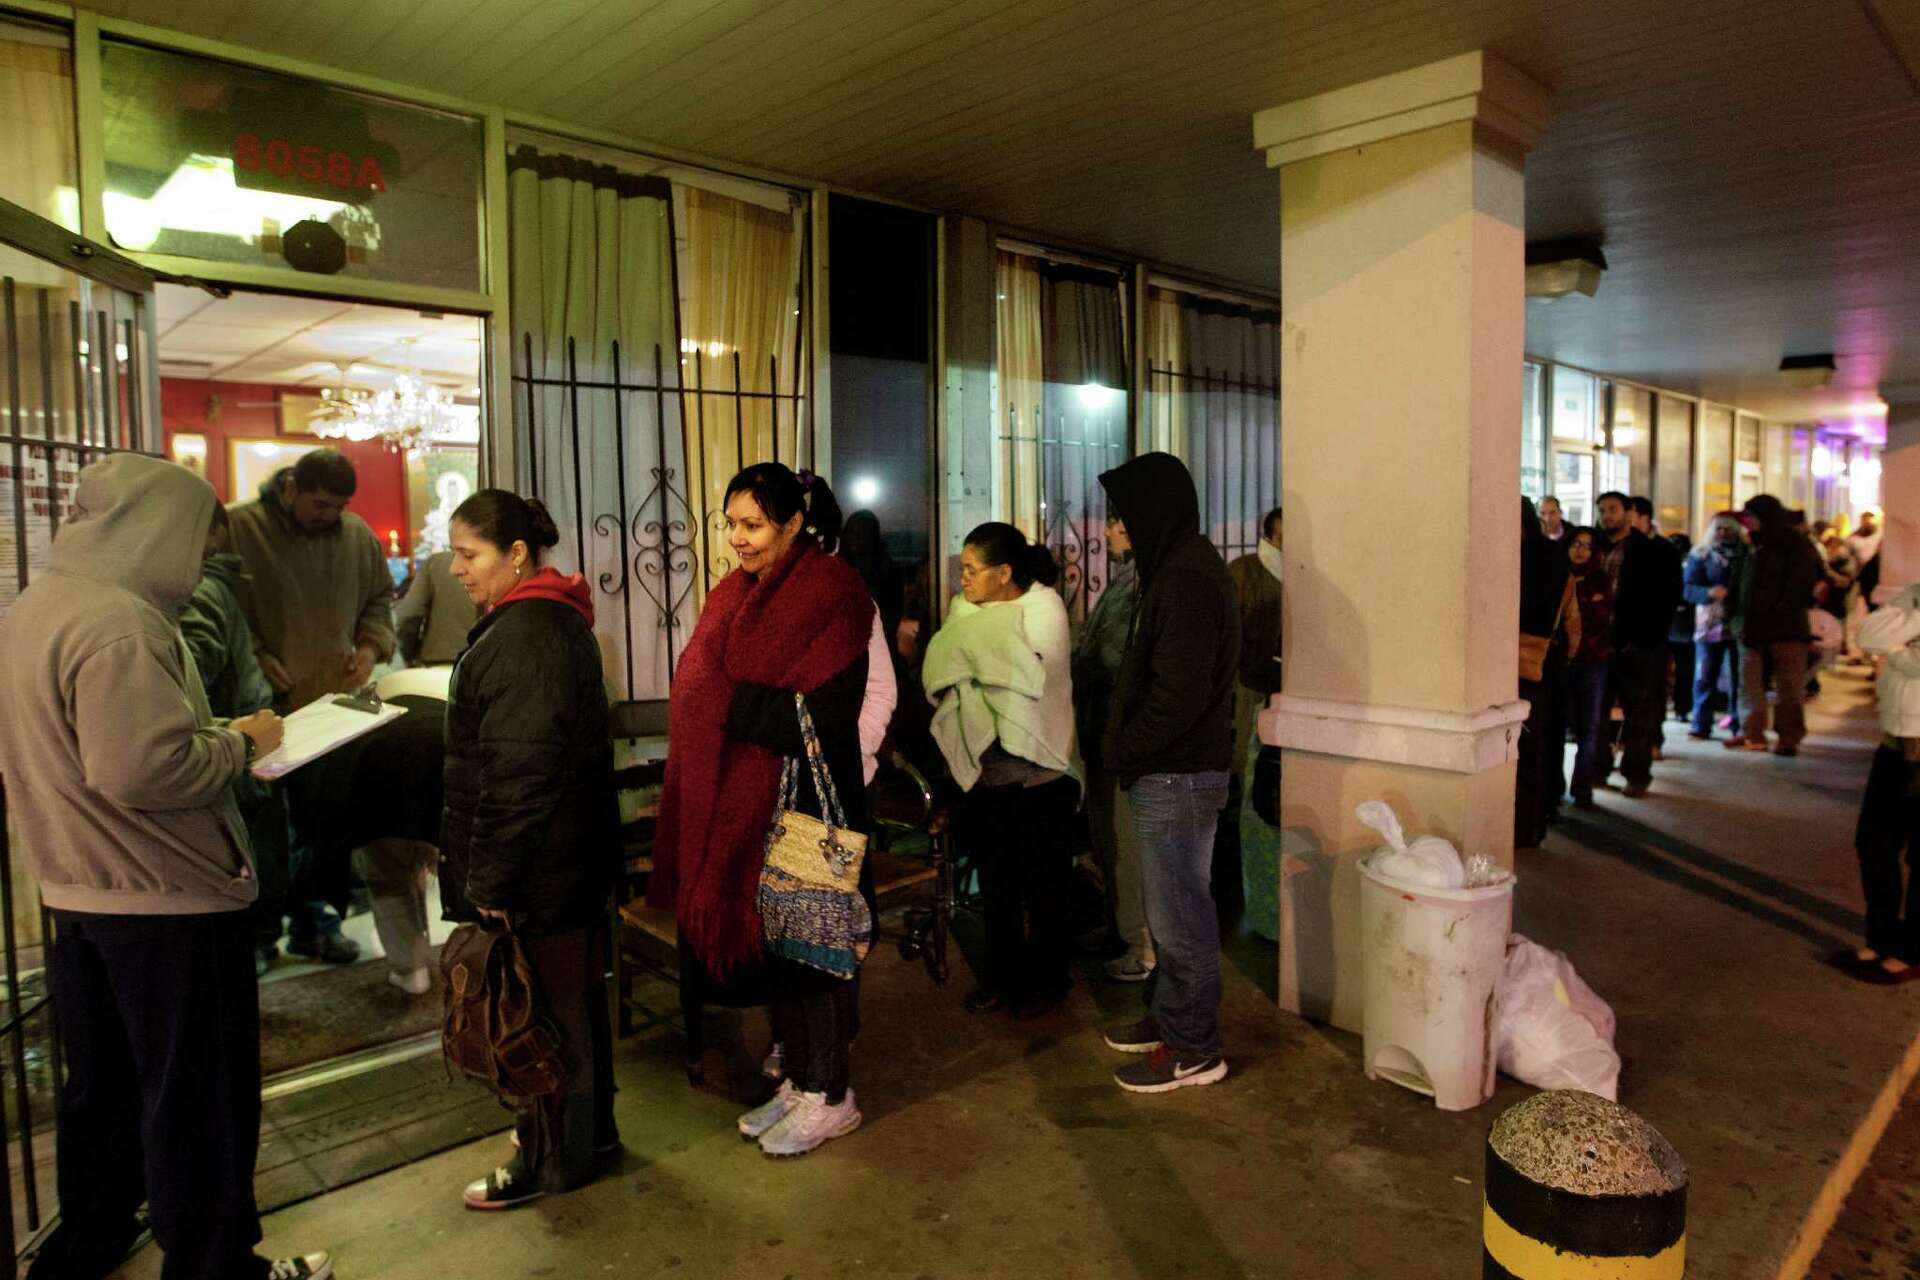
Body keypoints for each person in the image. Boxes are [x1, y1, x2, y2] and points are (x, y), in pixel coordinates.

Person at [0, 454, 330, 1280]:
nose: (200, 558)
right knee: (198, 1099)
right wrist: (243, 739)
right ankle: (217, 1265)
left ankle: (90, 1242)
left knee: (102, 1090)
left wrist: (202, 730)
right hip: (164, 899)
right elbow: (145, 771)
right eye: (195, 536)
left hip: (82, 892)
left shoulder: (36, 607)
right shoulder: (122, 624)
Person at [651, 463, 875, 1157]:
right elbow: (702, 681)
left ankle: (832, 1095)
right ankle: (803, 1083)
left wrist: (723, 700)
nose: (738, 540)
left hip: (811, 800)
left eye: (752, 525)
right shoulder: (734, 593)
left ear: (793, 524)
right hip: (754, 802)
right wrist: (725, 697)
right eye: (731, 525)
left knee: (816, 950)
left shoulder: (834, 594)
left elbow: (822, 716)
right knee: (784, 951)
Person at [439, 489, 619, 1208]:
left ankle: (548, 1165)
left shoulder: (527, 637)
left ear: (516, 555)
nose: (456, 569)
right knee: (567, 1013)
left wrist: (491, 883)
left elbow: (518, 777)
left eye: (468, 553)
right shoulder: (538, 622)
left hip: (541, 870)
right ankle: (586, 1142)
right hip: (561, 864)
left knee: (534, 1022)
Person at [1095, 452, 1238, 1094]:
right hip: (1172, 773)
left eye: (1123, 514)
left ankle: (1194, 1050)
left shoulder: (1185, 577)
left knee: (1181, 917)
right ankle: (1171, 1019)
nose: (1112, 527)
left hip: (1176, 776)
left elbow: (1177, 695)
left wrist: (1127, 748)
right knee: (1171, 911)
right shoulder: (1178, 567)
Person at [228, 448, 396, 966]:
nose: (329, 515)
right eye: (320, 503)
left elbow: (379, 600)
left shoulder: (357, 536)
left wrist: (370, 647)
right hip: (261, 710)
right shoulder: (241, 528)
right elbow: (218, 606)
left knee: (326, 826)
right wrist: (254, 654)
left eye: (338, 506)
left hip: (332, 709)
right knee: (261, 831)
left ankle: (316, 923)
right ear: (291, 487)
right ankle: (255, 933)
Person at [925, 523, 1083, 1016]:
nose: (963, 581)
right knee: (997, 885)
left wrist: (978, 667)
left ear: (1004, 573)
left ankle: (1050, 982)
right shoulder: (965, 612)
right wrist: (981, 668)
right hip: (991, 777)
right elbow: (944, 665)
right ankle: (1004, 980)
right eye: (962, 571)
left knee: (1045, 887)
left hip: (1041, 777)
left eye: (972, 571)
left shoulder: (1044, 609)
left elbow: (1031, 677)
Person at [179, 504, 292, 978]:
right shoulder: (208, 589)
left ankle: (260, 939)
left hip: (238, 741)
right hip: (233, 742)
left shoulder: (201, 589)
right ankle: (259, 939)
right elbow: (190, 681)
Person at [1073, 514, 1154, 980]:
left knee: (1127, 842)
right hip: (1102, 726)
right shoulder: (1129, 575)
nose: (1106, 532)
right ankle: (1118, 928)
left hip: (1121, 729)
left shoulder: (1146, 581)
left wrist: (1082, 660)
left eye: (1118, 523)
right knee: (1109, 839)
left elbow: (1120, 656)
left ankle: (1141, 946)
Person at [1848, 587, 1920, 984]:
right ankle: (1882, 935)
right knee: (1874, 842)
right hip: (1892, 742)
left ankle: (1912, 949)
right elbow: (1867, 635)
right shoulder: (1912, 596)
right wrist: (1905, 635)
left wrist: (1896, 648)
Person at [1594, 491, 1682, 797]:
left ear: (1630, 513)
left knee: (1639, 714)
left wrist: (1643, 639)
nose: (1607, 515)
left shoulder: (1654, 552)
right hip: (1597, 646)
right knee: (1597, 713)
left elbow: (1667, 600)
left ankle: (1636, 773)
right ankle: (1598, 769)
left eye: (1614, 509)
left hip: (1637, 647)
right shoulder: (1594, 548)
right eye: (1603, 510)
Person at [1725, 494, 1823, 757]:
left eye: (1751, 517)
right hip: (1749, 627)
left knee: (1789, 685)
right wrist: (1733, 617)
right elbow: (1736, 583)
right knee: (1749, 684)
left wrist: (1777, 610)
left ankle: (1788, 736)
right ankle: (1751, 733)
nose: (1748, 523)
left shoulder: (1794, 544)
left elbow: (1801, 585)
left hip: (1787, 628)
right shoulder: (1747, 545)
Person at [1516, 498, 1573, 847]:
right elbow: (1571, 615)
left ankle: (1521, 828)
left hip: (1516, 662)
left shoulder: (1512, 554)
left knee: (1519, 749)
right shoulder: (1553, 557)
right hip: (1544, 660)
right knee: (1538, 746)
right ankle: (1531, 828)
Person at [1225, 508, 1284, 786]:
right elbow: (1227, 627)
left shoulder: (1299, 572)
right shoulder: (1243, 571)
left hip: (1287, 685)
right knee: (1250, 760)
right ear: (1272, 536)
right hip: (1251, 681)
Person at [1683, 513, 1747, 740]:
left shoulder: (1745, 555)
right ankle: (1701, 724)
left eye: (1728, 529)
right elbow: (1688, 589)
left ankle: (1738, 724)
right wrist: (1707, 593)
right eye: (1718, 529)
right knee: (1704, 676)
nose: (1723, 533)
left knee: (1738, 677)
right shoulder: (1700, 555)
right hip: (1709, 624)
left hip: (1738, 623)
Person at [1563, 528, 1614, 809]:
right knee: (1557, 728)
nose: (1580, 550)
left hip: (1593, 662)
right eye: (1576, 544)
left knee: (1589, 728)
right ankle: (1555, 791)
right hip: (1562, 662)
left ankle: (1582, 789)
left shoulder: (1600, 579)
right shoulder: (1558, 575)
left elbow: (1599, 617)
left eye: (1587, 546)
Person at [839, 509, 904, 659]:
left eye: (861, 534)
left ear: (871, 537)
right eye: (852, 533)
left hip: (878, 651)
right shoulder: (839, 570)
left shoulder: (887, 572)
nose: (855, 539)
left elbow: (890, 620)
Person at [394, 548, 477, 665]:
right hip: (484, 662)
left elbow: (409, 614)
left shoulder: (435, 563)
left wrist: (408, 655)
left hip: (437, 660)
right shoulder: (502, 564)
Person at [1665, 532, 1695, 727]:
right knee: (1684, 672)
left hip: (1680, 627)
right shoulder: (1685, 566)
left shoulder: (1686, 567)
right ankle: (1681, 709)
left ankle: (1681, 708)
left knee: (1684, 672)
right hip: (1676, 627)